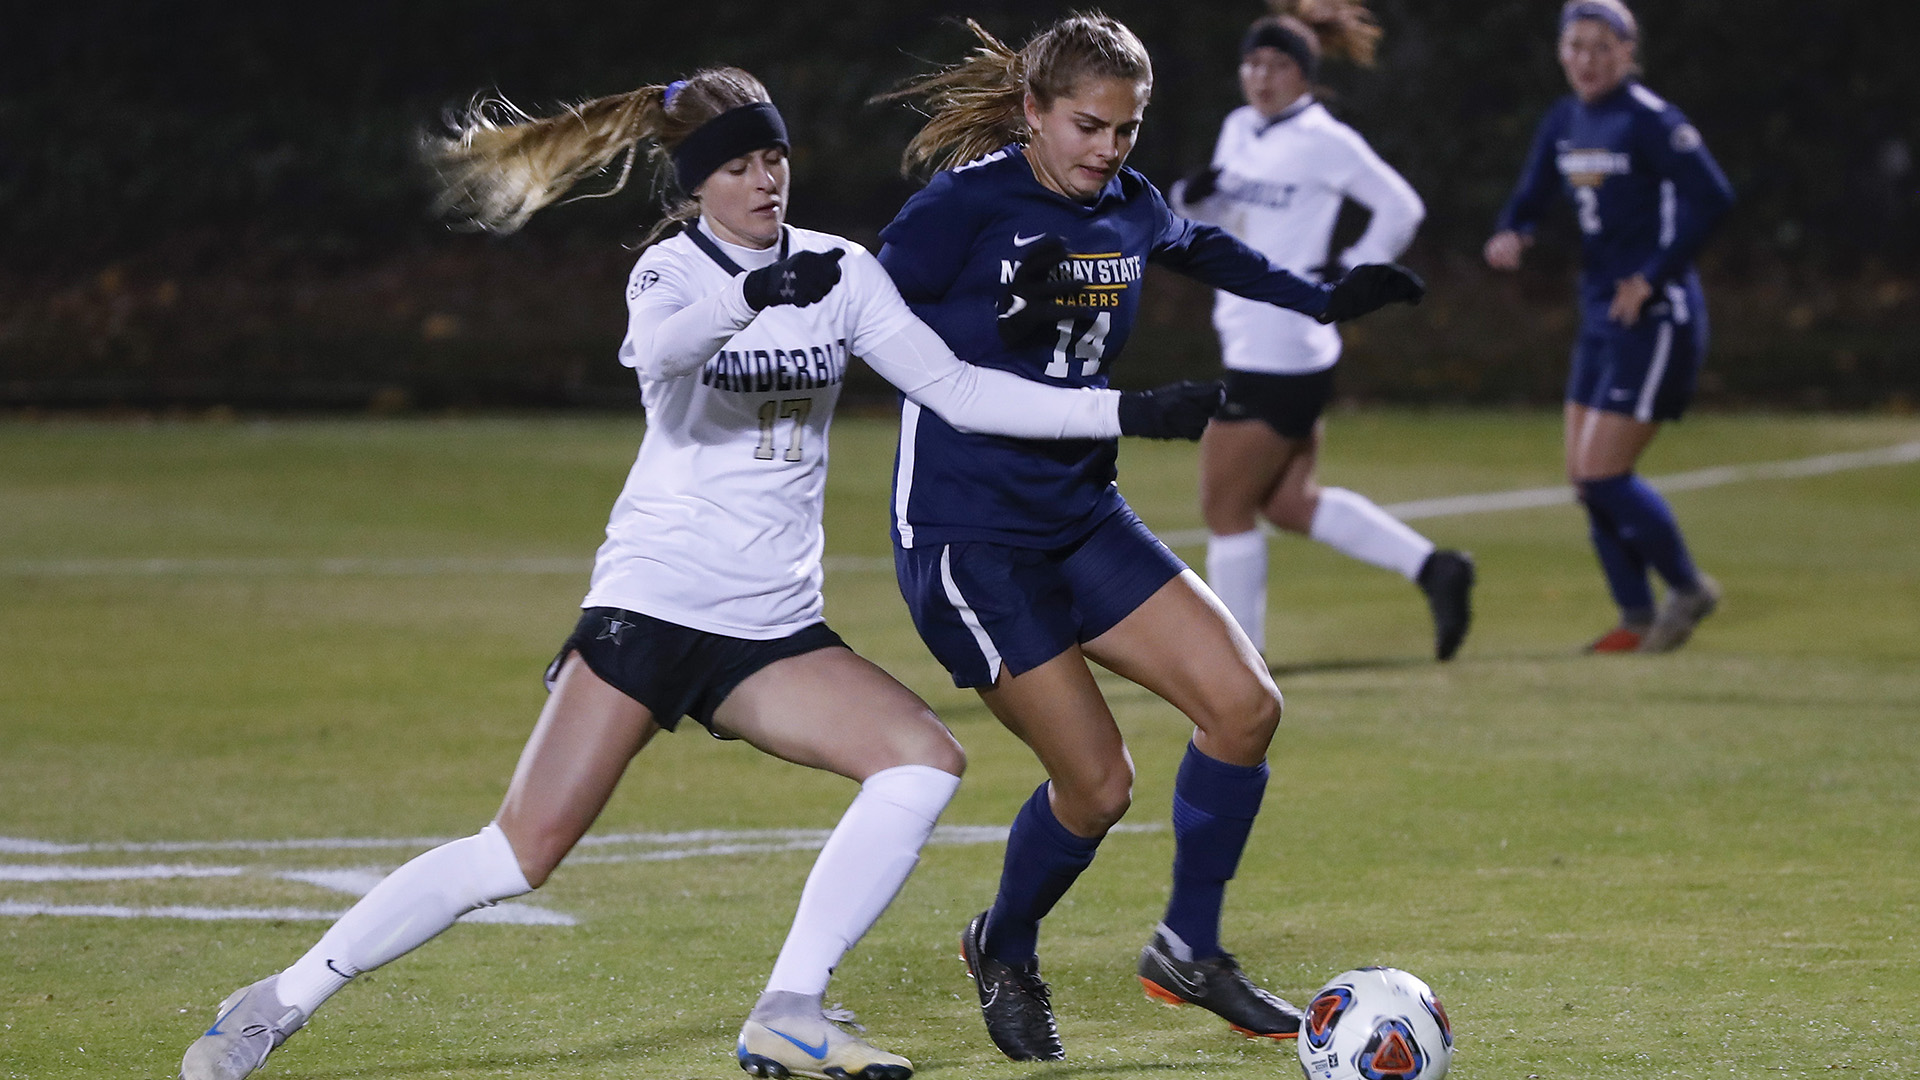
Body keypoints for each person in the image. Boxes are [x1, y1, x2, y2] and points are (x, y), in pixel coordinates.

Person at [177, 66, 1226, 1080]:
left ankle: (791, 1009)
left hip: (769, 626)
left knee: (919, 762)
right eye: (741, 165)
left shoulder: (839, 268)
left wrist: (1126, 410)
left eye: (776, 157)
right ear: (697, 184)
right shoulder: (671, 270)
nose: (766, 179)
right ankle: (280, 1000)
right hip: (652, 605)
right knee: (518, 853)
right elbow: (657, 354)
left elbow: (959, 388)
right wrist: (756, 293)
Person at [871, 14, 1423, 1062]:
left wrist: (1320, 295)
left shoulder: (1126, 202)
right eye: (1088, 126)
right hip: (971, 535)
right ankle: (1005, 944)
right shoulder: (965, 206)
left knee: (1245, 708)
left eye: (1127, 129)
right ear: (1033, 113)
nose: (1109, 150)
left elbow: (1199, 246)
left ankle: (1188, 948)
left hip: (1082, 514)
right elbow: (866, 310)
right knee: (1099, 785)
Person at [1171, 0, 1475, 663]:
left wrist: (1345, 273)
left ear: (1305, 75)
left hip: (1281, 344)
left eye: (1278, 64)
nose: (1261, 76)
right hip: (1260, 339)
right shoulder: (1238, 128)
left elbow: (1401, 206)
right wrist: (1193, 197)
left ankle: (1239, 667)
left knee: (1224, 507)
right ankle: (1436, 568)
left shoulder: (1324, 139)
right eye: (1252, 62)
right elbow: (1218, 220)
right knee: (1287, 502)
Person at [1484, 0, 1734, 653]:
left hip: (1655, 314)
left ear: (1628, 52)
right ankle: (1637, 617)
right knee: (1584, 478)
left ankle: (1688, 587)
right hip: (1599, 309)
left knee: (1602, 475)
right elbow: (1531, 191)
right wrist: (1514, 230)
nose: (1586, 60)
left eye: (1601, 47)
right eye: (1575, 47)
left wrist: (1654, 275)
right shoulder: (1566, 119)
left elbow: (1713, 197)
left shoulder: (1651, 120)